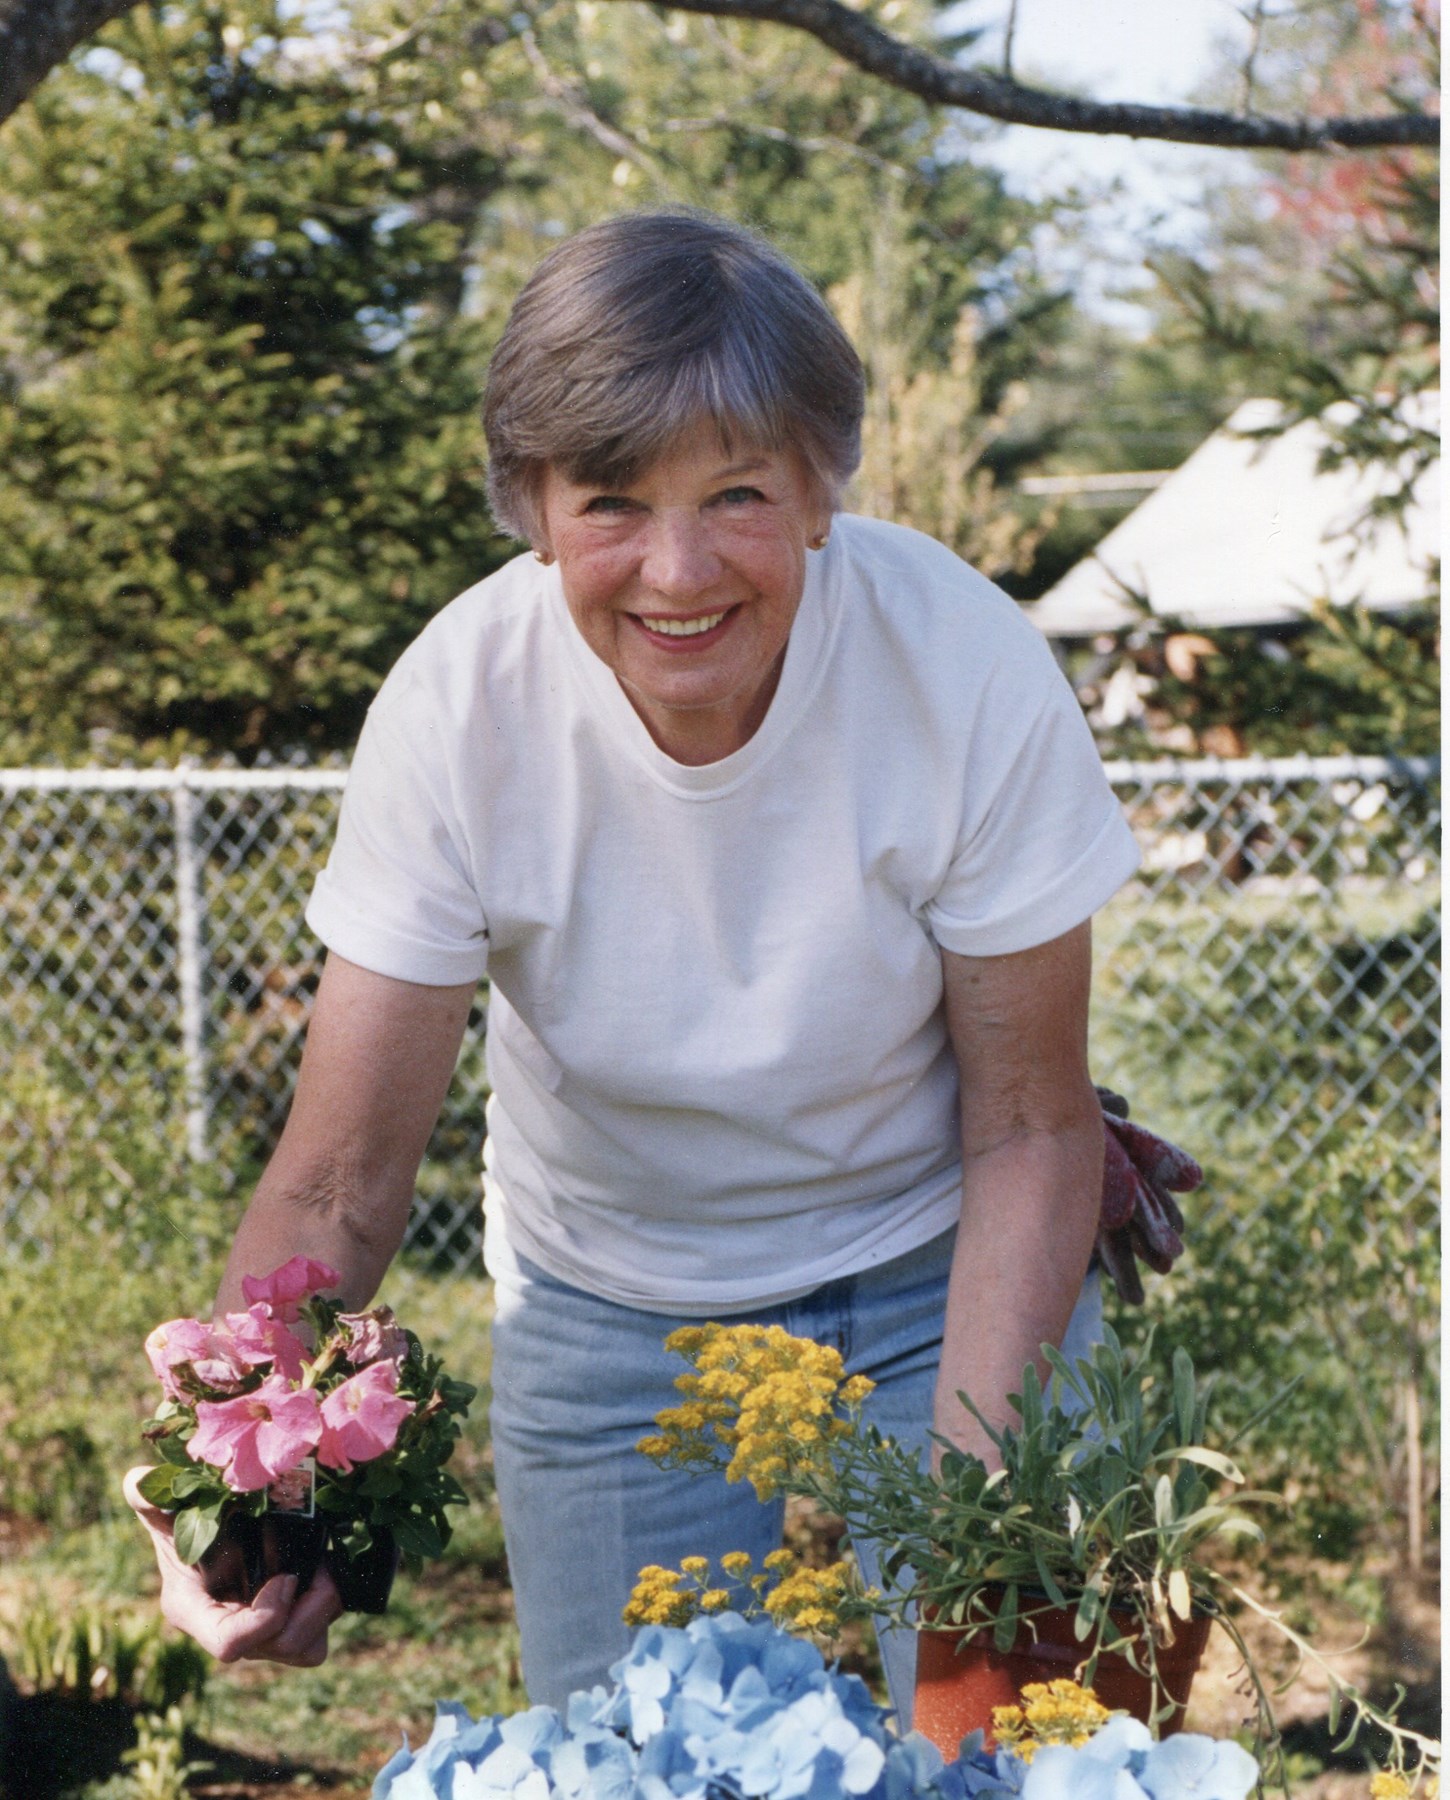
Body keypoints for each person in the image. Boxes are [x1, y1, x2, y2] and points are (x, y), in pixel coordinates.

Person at [126, 209, 1193, 1722]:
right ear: (533, 504)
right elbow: (335, 1185)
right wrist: (226, 1476)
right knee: (636, 1754)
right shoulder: (457, 708)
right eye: (613, 501)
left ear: (823, 490)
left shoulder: (959, 662)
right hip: (612, 1301)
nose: (677, 571)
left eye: (739, 491)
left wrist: (972, 1528)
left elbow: (1030, 1121)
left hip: (942, 1256)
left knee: (1014, 1749)